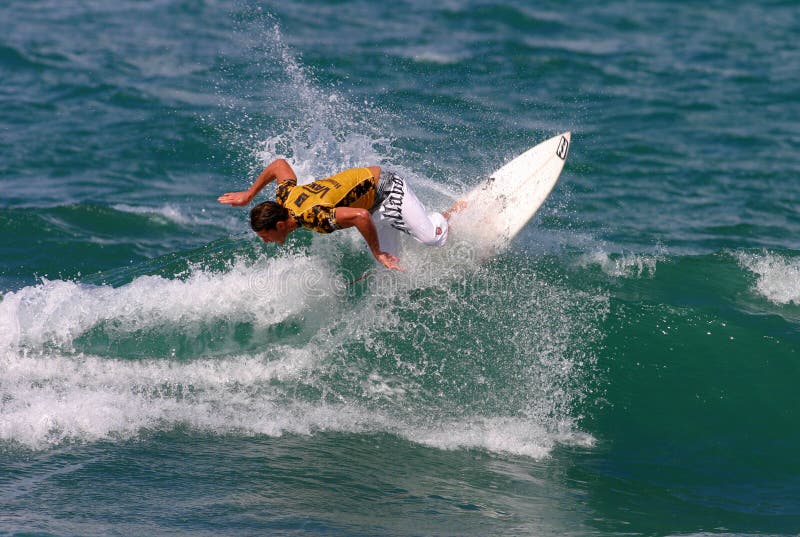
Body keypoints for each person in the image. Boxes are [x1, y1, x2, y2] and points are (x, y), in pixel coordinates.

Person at [217, 159, 451, 270]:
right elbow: (279, 165)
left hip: (386, 189)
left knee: (432, 239)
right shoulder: (285, 198)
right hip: (371, 202)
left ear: (279, 225)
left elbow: (360, 216)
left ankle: (451, 214)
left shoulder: (312, 217)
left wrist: (376, 252)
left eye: (265, 235)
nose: (264, 240)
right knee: (392, 268)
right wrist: (249, 195)